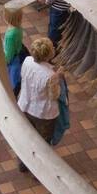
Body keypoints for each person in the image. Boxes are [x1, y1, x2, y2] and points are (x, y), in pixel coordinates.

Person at [15, 37, 63, 173]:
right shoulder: (50, 75)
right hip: (43, 114)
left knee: (26, 137)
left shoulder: (27, 61)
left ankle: (23, 164)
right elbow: (54, 95)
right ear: (48, 54)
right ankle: (38, 171)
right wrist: (59, 77)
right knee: (42, 143)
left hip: (25, 105)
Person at [1, 10, 25, 96]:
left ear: (7, 18)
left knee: (13, 79)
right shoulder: (18, 28)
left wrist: (5, 62)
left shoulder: (10, 35)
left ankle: (13, 93)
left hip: (12, 60)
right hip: (17, 53)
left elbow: (9, 53)